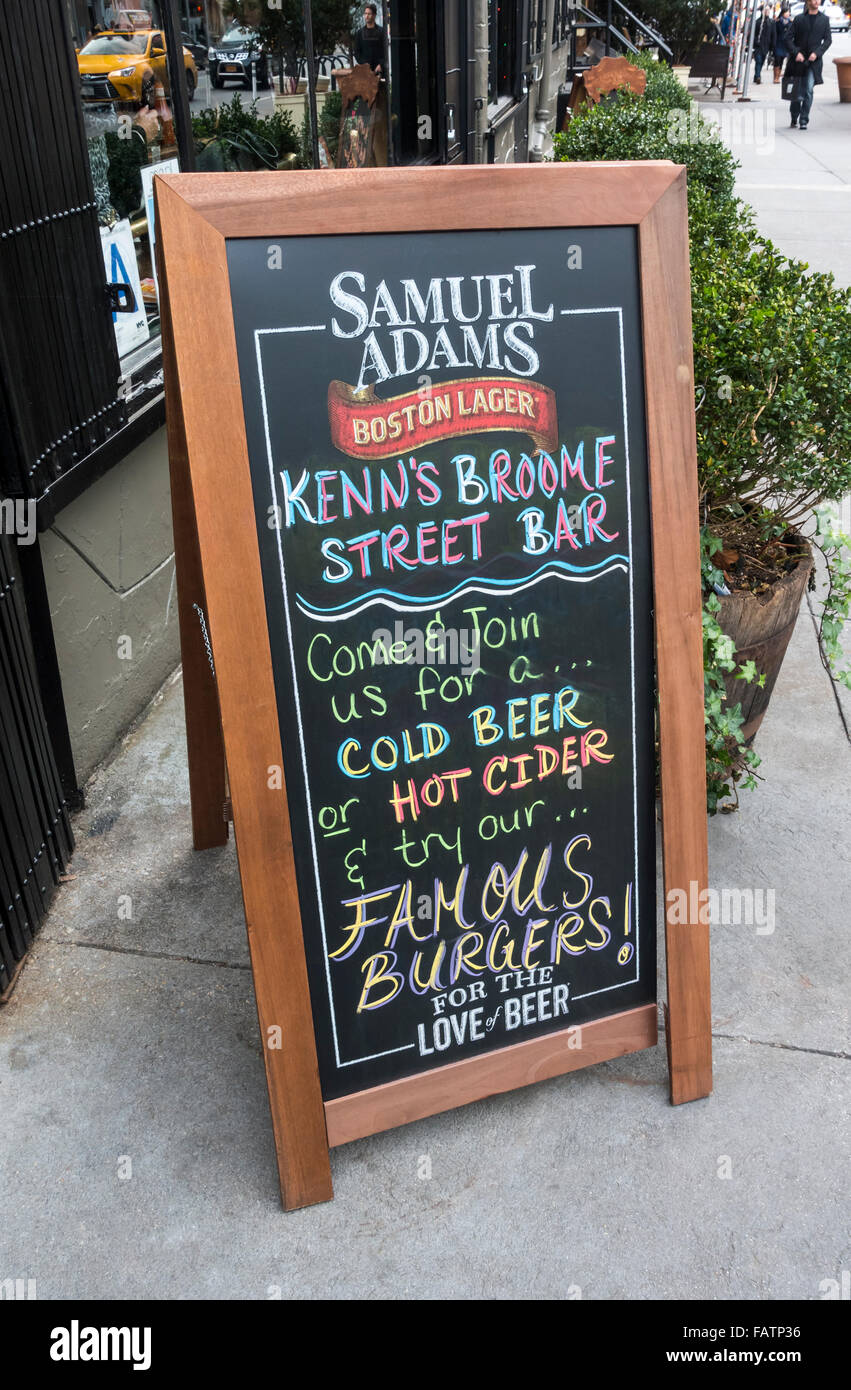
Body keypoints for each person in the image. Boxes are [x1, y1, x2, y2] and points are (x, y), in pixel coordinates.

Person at [786, 0, 832, 129]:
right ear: (808, 2)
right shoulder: (799, 19)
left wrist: (817, 53)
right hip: (798, 61)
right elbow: (788, 38)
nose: (817, 1)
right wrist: (796, 53)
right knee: (796, 91)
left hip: (814, 62)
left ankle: (804, 120)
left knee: (808, 90)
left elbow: (828, 40)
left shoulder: (824, 19)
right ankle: (794, 115)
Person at [353, 3, 387, 75]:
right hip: (365, 71)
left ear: (374, 15)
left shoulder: (381, 32)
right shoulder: (360, 33)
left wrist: (380, 65)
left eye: (369, 14)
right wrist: (364, 65)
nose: (367, 16)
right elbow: (357, 52)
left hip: (379, 70)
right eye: (365, 14)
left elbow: (385, 51)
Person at [752, 4, 776, 83]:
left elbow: (773, 35)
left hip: (766, 46)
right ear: (762, 11)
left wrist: (772, 47)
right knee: (758, 61)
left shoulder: (771, 22)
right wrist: (755, 42)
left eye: (768, 10)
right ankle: (758, 76)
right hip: (758, 45)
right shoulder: (757, 22)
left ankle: (756, 76)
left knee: (761, 61)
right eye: (765, 10)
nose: (767, 11)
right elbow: (753, 34)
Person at [774, 2, 794, 82]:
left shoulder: (790, 22)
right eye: (786, 12)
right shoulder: (778, 22)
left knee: (782, 60)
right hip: (778, 43)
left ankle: (778, 77)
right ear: (782, 13)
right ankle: (775, 77)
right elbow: (775, 33)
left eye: (788, 12)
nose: (788, 14)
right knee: (777, 60)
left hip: (786, 45)